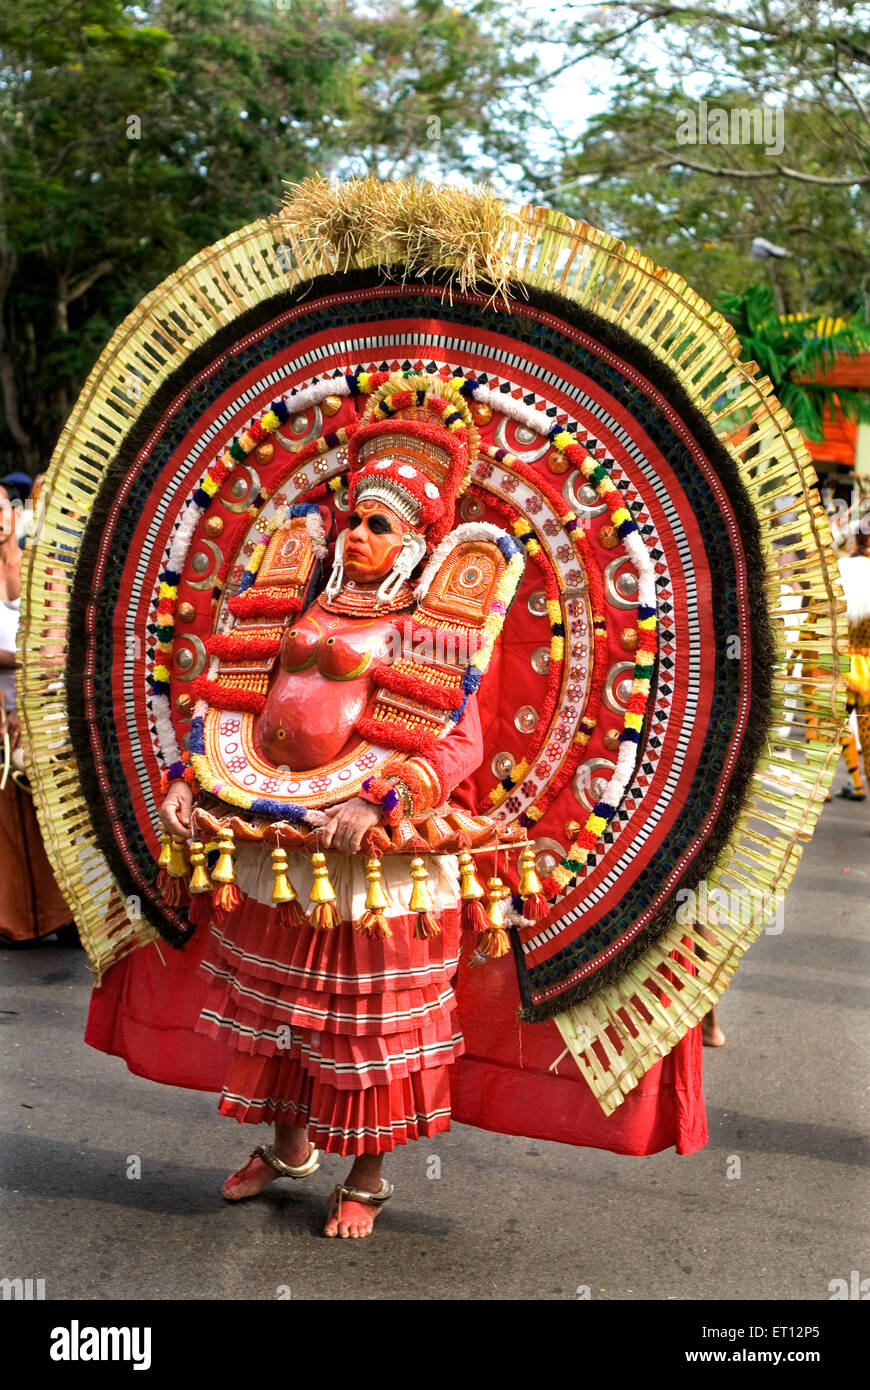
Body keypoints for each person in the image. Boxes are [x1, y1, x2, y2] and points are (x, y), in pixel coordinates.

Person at [0, 483, 73, 945]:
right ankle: (16, 921)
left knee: (58, 814)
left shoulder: (42, 571)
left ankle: (64, 916)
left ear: (14, 513)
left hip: (43, 710)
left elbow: (55, 649)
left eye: (0, 508)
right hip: (2, 717)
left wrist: (26, 703)